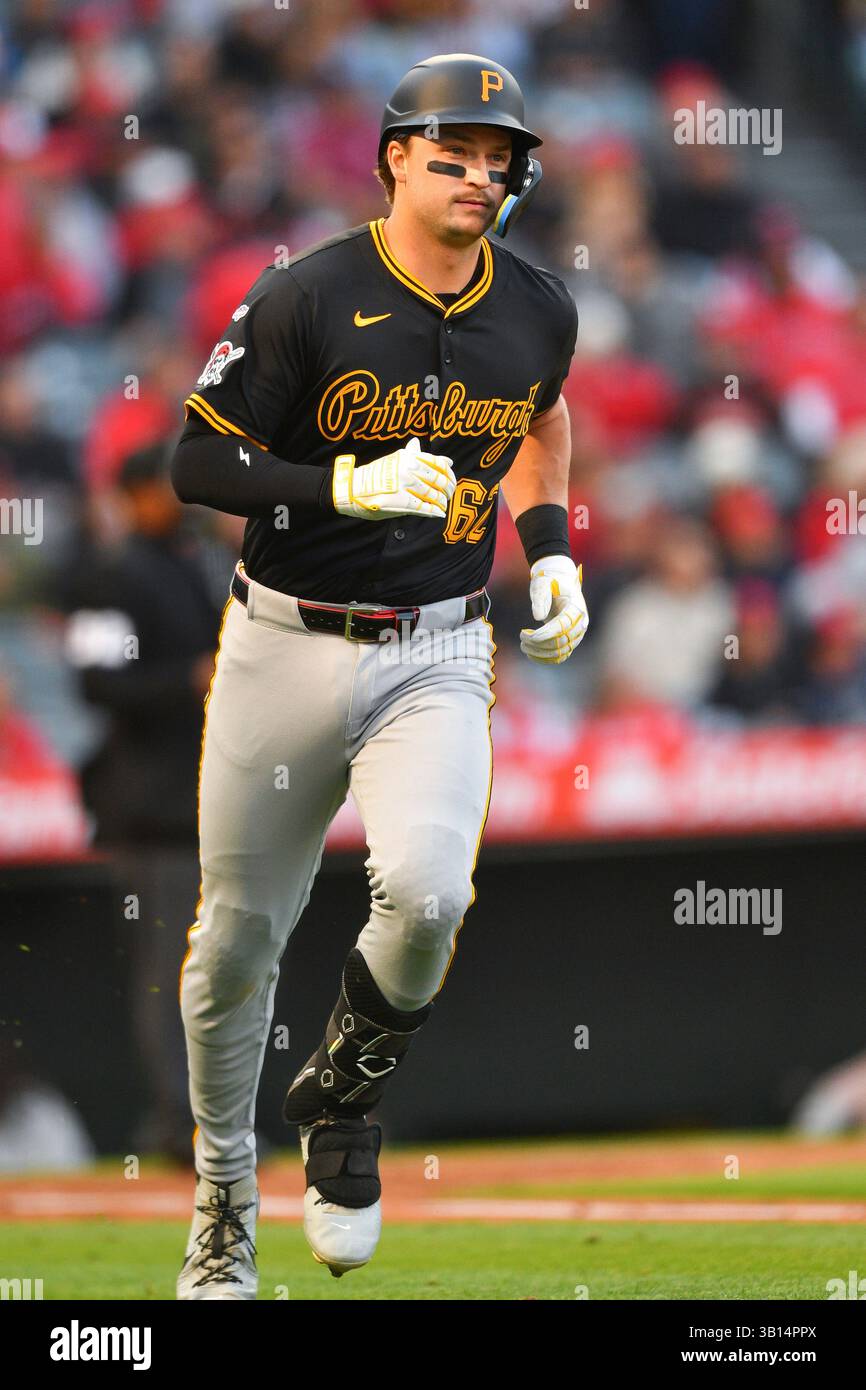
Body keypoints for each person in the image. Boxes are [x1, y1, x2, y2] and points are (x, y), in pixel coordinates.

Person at [170, 52, 588, 1300]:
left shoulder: (537, 303)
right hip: (283, 639)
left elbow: (538, 411)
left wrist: (552, 547)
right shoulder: (309, 292)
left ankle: (342, 1102)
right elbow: (196, 462)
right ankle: (223, 1199)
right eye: (452, 150)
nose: (479, 172)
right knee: (232, 947)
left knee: (428, 892)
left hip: (439, 642)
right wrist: (333, 483)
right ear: (396, 156)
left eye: (498, 155)